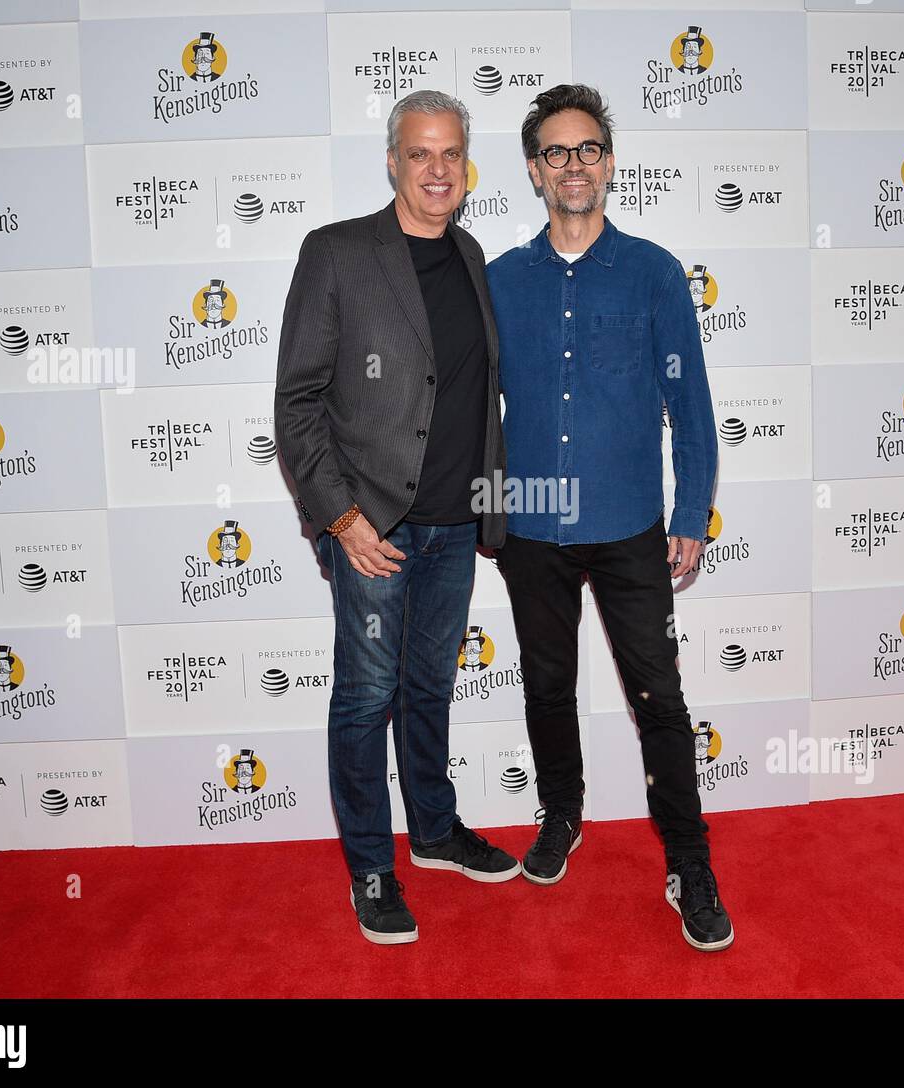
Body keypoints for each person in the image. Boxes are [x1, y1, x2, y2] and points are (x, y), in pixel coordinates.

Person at [486, 84, 732, 952]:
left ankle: (689, 861)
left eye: (589, 148)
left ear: (610, 163)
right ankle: (562, 815)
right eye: (557, 152)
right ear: (533, 170)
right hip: (533, 528)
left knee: (658, 698)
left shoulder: (656, 272)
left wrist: (692, 510)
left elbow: (690, 404)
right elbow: (471, 404)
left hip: (632, 524)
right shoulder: (501, 280)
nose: (575, 164)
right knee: (546, 686)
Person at [274, 89, 520, 947]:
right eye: (420, 153)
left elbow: (476, 394)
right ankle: (371, 867)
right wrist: (340, 519)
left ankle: (436, 832)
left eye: (451, 152)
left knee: (430, 686)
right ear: (392, 161)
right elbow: (297, 402)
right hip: (372, 525)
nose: (438, 168)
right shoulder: (337, 253)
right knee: (367, 694)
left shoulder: (473, 253)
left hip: (456, 521)